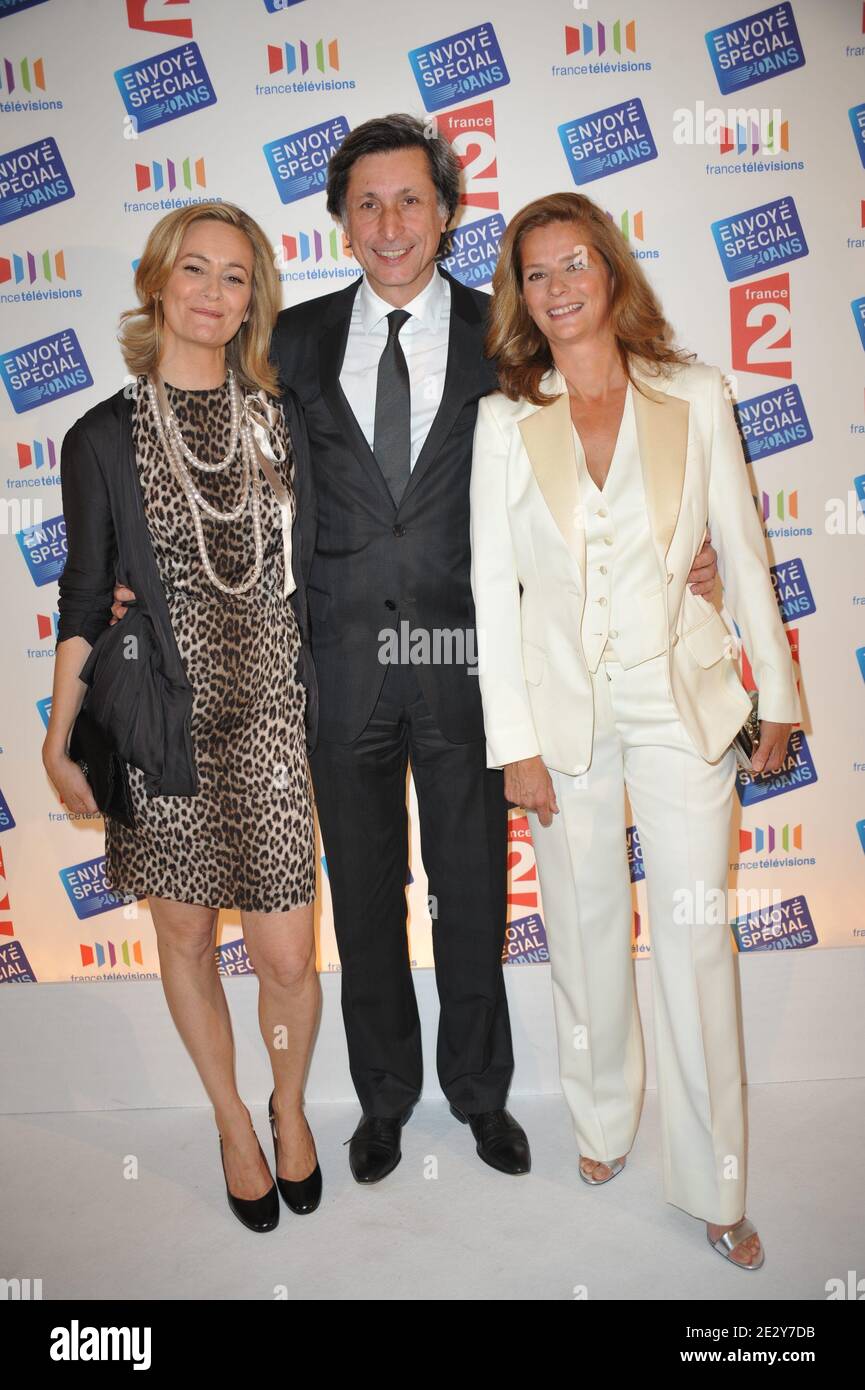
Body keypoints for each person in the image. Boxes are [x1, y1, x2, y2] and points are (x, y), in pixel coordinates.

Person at [114, 117, 717, 1186]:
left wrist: (682, 549)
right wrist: (136, 571)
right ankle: (384, 1100)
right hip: (332, 667)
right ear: (341, 222)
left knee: (472, 885)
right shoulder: (288, 343)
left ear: (446, 211)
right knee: (365, 899)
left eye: (409, 200)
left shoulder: (511, 333)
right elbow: (212, 464)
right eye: (366, 204)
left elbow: (608, 445)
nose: (389, 223)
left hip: (473, 664)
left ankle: (480, 1094)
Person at [469, 192, 800, 1268]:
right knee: (584, 929)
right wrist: (513, 738)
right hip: (561, 717)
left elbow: (742, 554)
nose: (558, 286)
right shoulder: (503, 420)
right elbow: (490, 592)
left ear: (611, 274)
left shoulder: (696, 393)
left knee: (697, 943)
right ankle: (603, 1121)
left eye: (575, 264)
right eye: (535, 272)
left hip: (682, 702)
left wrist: (780, 698)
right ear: (520, 295)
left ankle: (716, 1183)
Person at [43, 203, 321, 1234]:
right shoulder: (102, 436)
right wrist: (56, 728)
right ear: (158, 282)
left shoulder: (279, 420)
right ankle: (233, 1124)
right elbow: (83, 594)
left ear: (254, 300)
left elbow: (322, 568)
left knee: (290, 958)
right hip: (163, 731)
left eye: (235, 277)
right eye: (194, 270)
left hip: (273, 729)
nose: (213, 292)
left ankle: (290, 1108)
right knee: (190, 938)